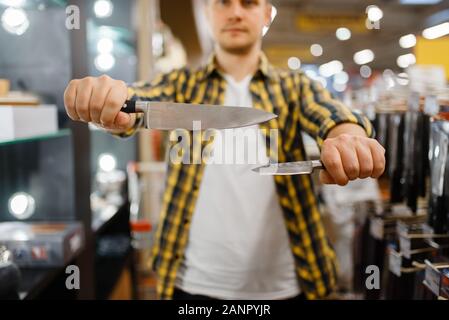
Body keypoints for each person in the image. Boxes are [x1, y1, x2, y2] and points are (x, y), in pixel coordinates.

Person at [63, 0, 385, 300]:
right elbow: (135, 102)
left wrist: (349, 137)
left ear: (267, 14)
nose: (235, 12)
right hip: (190, 283)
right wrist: (106, 100)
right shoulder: (180, 85)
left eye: (248, 2)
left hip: (289, 283)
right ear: (207, 12)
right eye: (223, 2)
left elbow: (332, 113)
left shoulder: (296, 87)